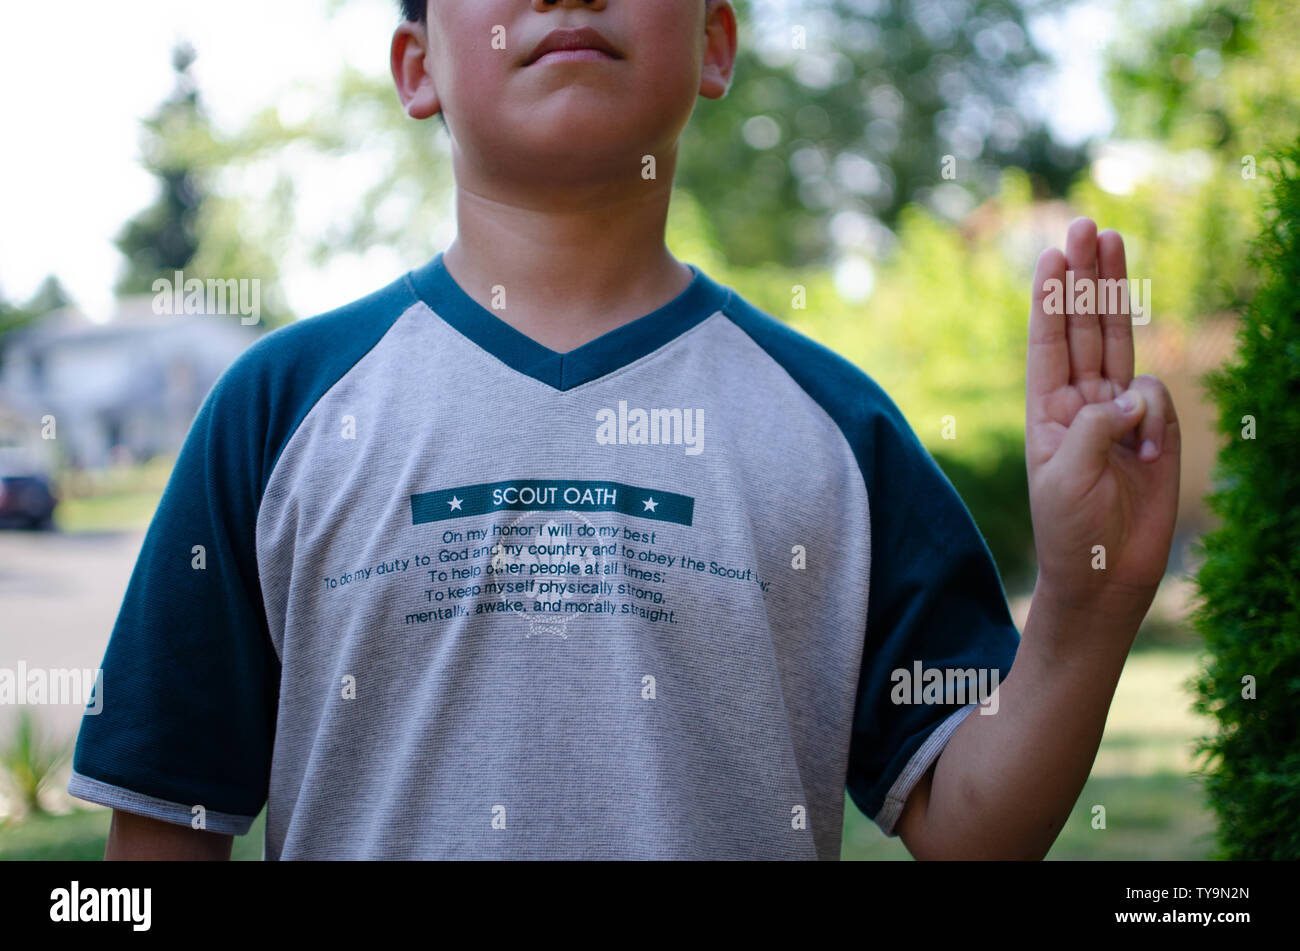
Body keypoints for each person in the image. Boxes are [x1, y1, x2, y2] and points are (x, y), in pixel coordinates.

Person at [68, 0, 1180, 860]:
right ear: (418, 68)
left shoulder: (837, 432)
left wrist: (1086, 605)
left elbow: (970, 827)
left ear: (713, 42)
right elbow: (162, 828)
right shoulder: (276, 412)